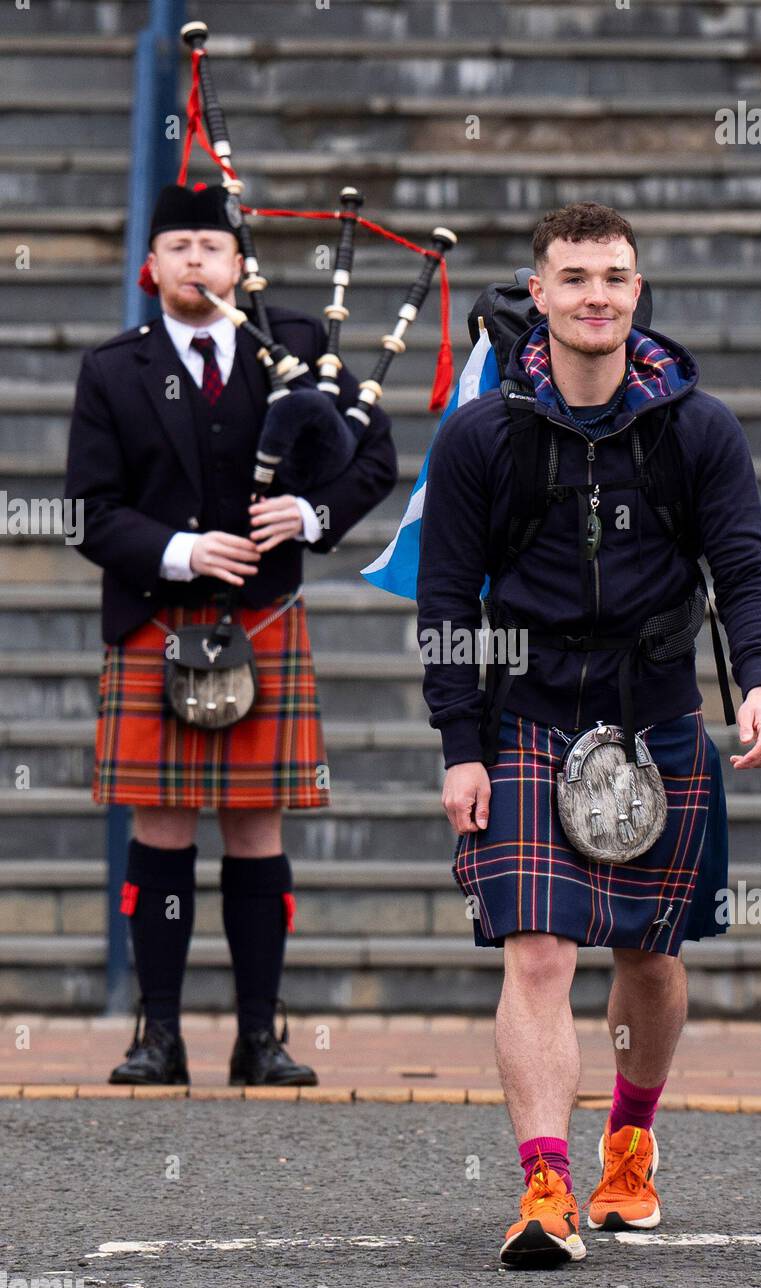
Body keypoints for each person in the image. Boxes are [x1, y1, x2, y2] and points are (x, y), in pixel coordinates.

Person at [416, 201, 761, 1267]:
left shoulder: (698, 426)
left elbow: (747, 567)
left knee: (649, 955)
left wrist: (758, 678)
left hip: (660, 712)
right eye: (574, 277)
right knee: (535, 951)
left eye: (615, 278)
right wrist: (459, 742)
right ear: (537, 293)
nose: (596, 296)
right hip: (527, 711)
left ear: (637, 291)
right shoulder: (481, 433)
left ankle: (629, 1143)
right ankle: (545, 1184)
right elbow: (447, 597)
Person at [64, 183, 398, 1087]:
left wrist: (310, 512)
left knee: (257, 829)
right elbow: (87, 514)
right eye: (179, 249)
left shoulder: (291, 344)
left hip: (263, 616)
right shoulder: (112, 369)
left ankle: (261, 1038)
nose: (197, 264)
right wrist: (178, 549)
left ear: (239, 263)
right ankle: (158, 1036)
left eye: (213, 248)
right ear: (152, 266)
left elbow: (374, 454)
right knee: (162, 829)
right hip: (156, 616)